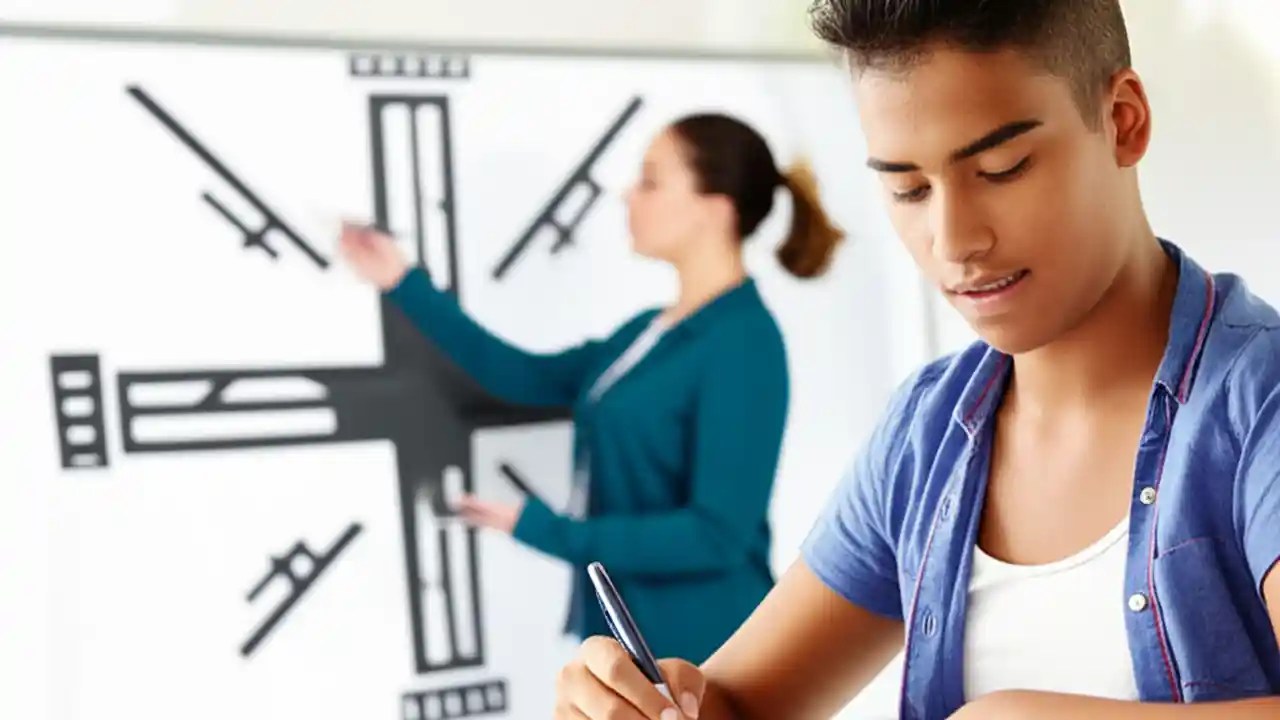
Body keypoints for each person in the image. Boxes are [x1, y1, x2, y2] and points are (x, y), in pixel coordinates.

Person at [551, 1, 1280, 719]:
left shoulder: (1259, 401)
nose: (953, 240)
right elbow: (737, 703)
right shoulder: (927, 434)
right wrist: (640, 703)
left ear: (1123, 121)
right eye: (907, 188)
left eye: (1002, 168)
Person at [340, 113, 845, 664]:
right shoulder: (648, 332)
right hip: (633, 643)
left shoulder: (745, 344)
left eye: (651, 181)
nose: (628, 195)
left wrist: (551, 532)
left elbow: (715, 534)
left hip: (709, 652)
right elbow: (523, 377)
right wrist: (401, 281)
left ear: (714, 208)